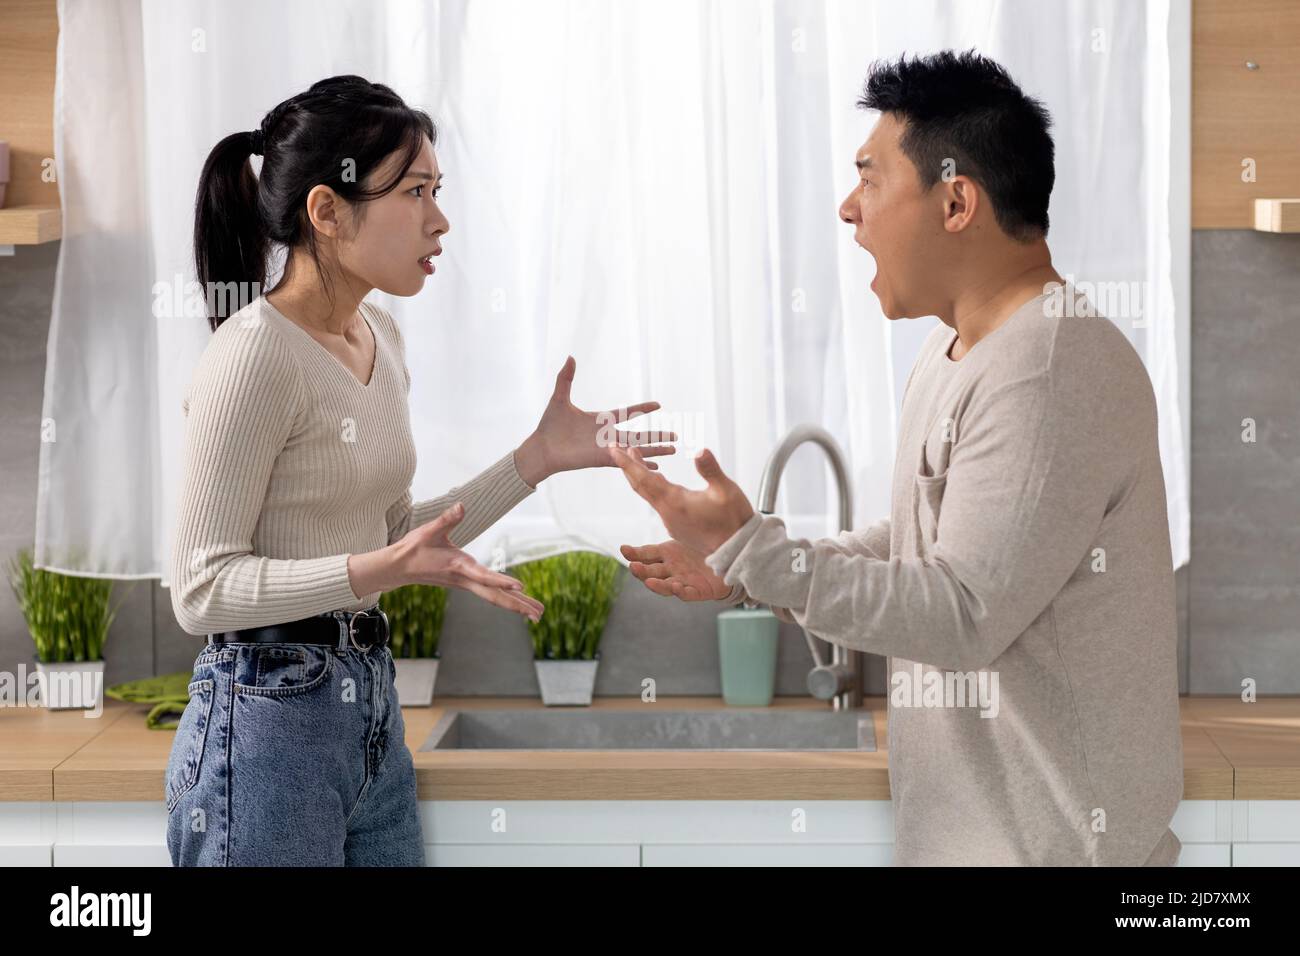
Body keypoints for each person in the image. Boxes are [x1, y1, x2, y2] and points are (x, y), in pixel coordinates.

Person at [613, 50, 1183, 867]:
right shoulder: (960, 350)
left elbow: (963, 613)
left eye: (871, 179)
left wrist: (756, 552)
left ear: (956, 201)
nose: (850, 208)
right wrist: (744, 570)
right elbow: (919, 549)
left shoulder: (1050, 367)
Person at [166, 75, 675, 866]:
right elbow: (200, 590)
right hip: (265, 717)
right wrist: (384, 566)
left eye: (438, 190)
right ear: (327, 212)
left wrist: (534, 459)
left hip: (367, 699)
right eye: (414, 193)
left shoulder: (381, 337)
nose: (439, 221)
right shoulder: (253, 356)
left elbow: (396, 534)